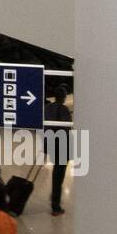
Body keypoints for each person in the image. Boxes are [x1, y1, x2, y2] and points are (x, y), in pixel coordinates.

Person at [44, 84, 73, 216]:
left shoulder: (48, 108)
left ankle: (55, 197)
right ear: (63, 97)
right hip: (61, 145)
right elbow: (66, 130)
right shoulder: (64, 110)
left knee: (57, 172)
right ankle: (56, 205)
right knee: (58, 175)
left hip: (51, 144)